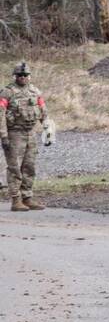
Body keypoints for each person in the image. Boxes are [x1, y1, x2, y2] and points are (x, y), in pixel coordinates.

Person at [1, 61, 48, 211]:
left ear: (29, 76)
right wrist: (3, 135)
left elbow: (42, 110)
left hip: (30, 133)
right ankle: (16, 200)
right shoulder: (7, 92)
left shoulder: (35, 91)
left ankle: (27, 197)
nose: (23, 77)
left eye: (25, 75)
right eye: (20, 75)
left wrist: (47, 127)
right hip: (14, 133)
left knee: (29, 166)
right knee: (15, 167)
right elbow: (0, 115)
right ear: (15, 76)